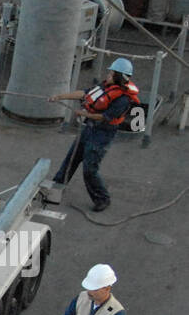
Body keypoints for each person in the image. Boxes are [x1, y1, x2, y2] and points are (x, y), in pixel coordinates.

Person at [49, 58, 139, 213]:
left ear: (119, 76)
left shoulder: (123, 99)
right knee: (72, 158)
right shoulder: (105, 86)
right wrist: (60, 96)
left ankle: (102, 198)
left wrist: (85, 113)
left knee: (90, 168)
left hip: (102, 134)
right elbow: (84, 93)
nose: (108, 74)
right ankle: (55, 189)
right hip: (89, 129)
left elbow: (105, 117)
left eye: (112, 72)